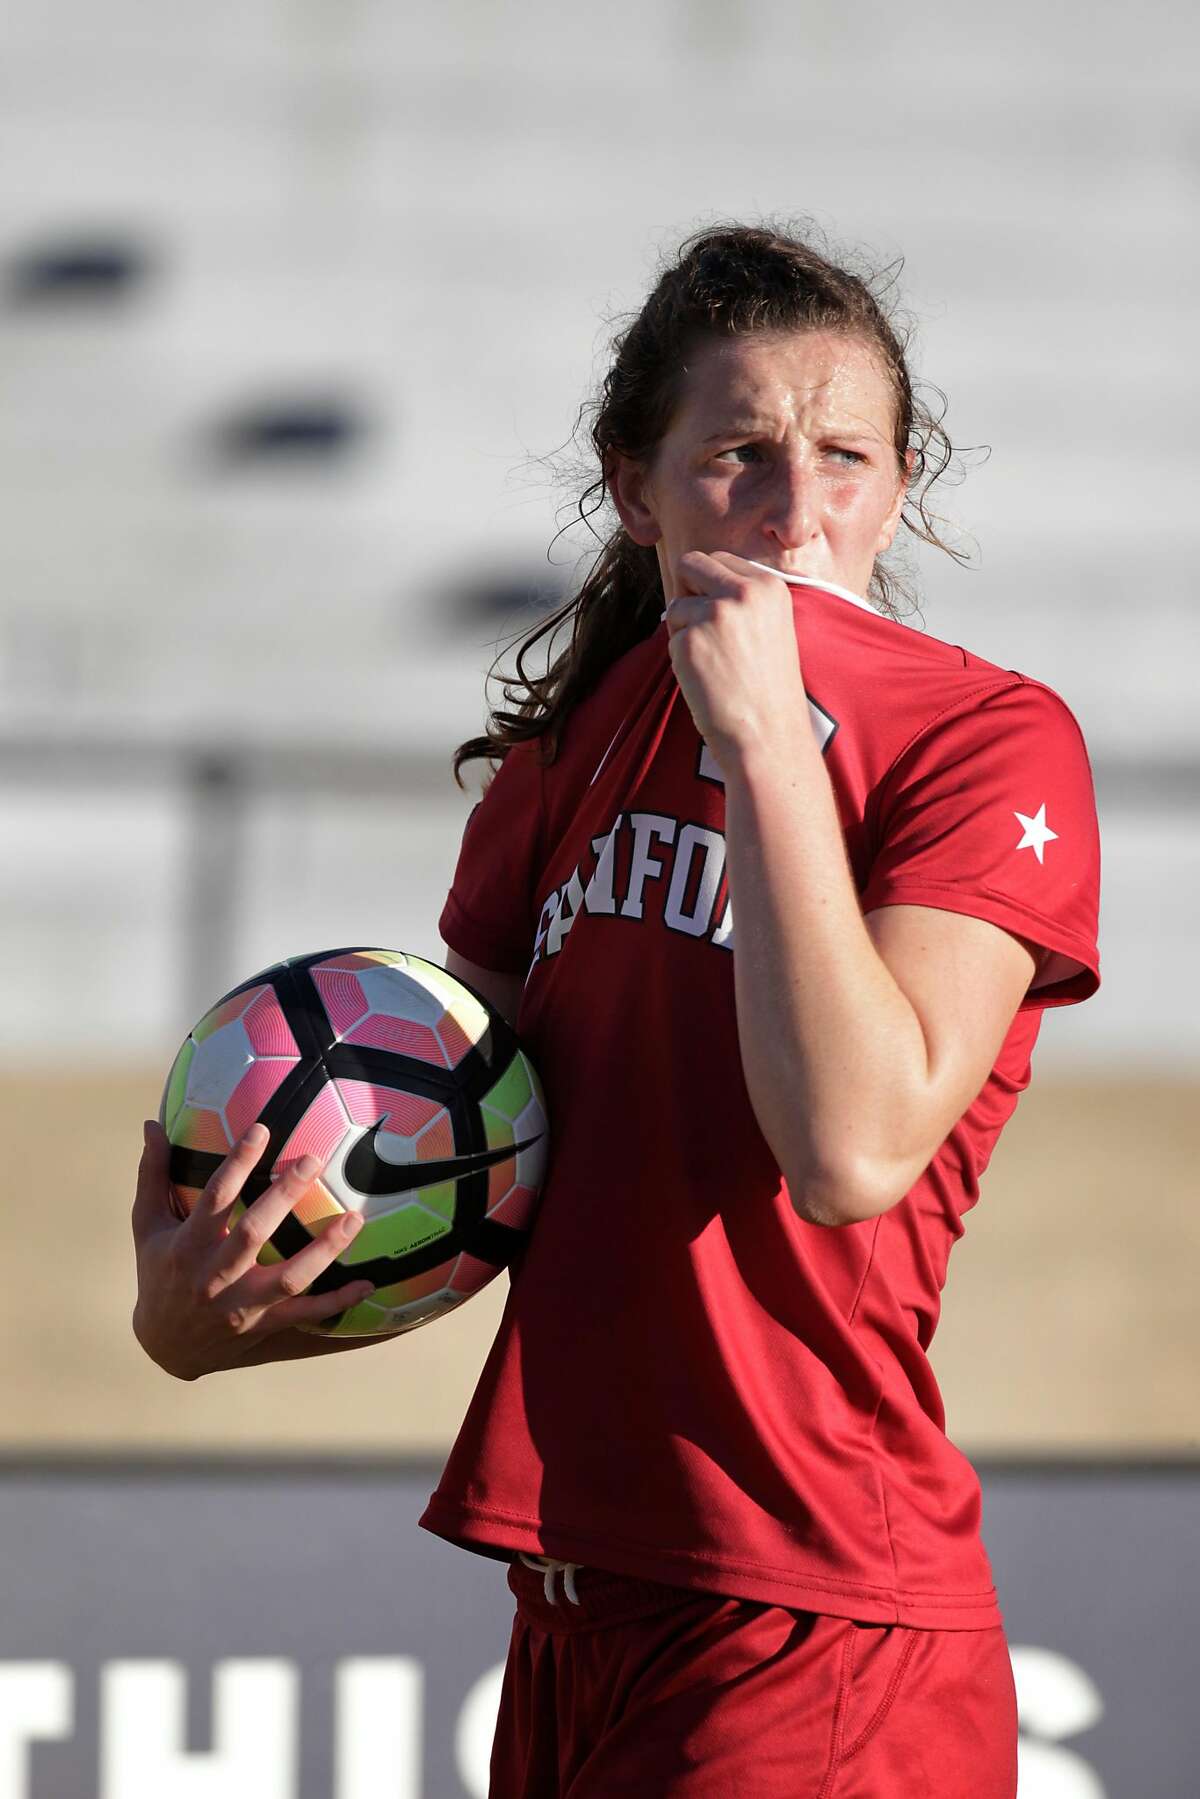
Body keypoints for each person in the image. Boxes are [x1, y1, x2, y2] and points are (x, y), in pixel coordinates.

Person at [133, 223, 1101, 1796]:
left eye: (847, 456)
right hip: (570, 1614)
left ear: (903, 485)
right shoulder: (566, 754)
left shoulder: (985, 742)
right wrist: (204, 1318)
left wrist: (770, 749)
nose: (799, 510)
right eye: (738, 455)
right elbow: (464, 1189)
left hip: (815, 1626)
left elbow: (853, 1155)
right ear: (632, 483)